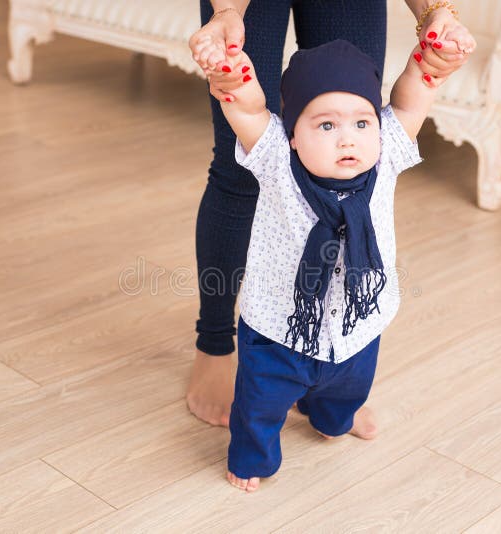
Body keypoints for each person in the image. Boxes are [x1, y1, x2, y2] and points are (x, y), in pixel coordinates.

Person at [186, 1, 476, 429]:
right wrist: (228, 37)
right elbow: (249, 113)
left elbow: (409, 104)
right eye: (324, 130)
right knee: (241, 167)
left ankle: (332, 382)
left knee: (350, 111)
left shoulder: (385, 147)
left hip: (351, 332)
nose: (348, 138)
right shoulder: (278, 154)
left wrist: (435, 20)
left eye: (364, 126)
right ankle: (215, 346)